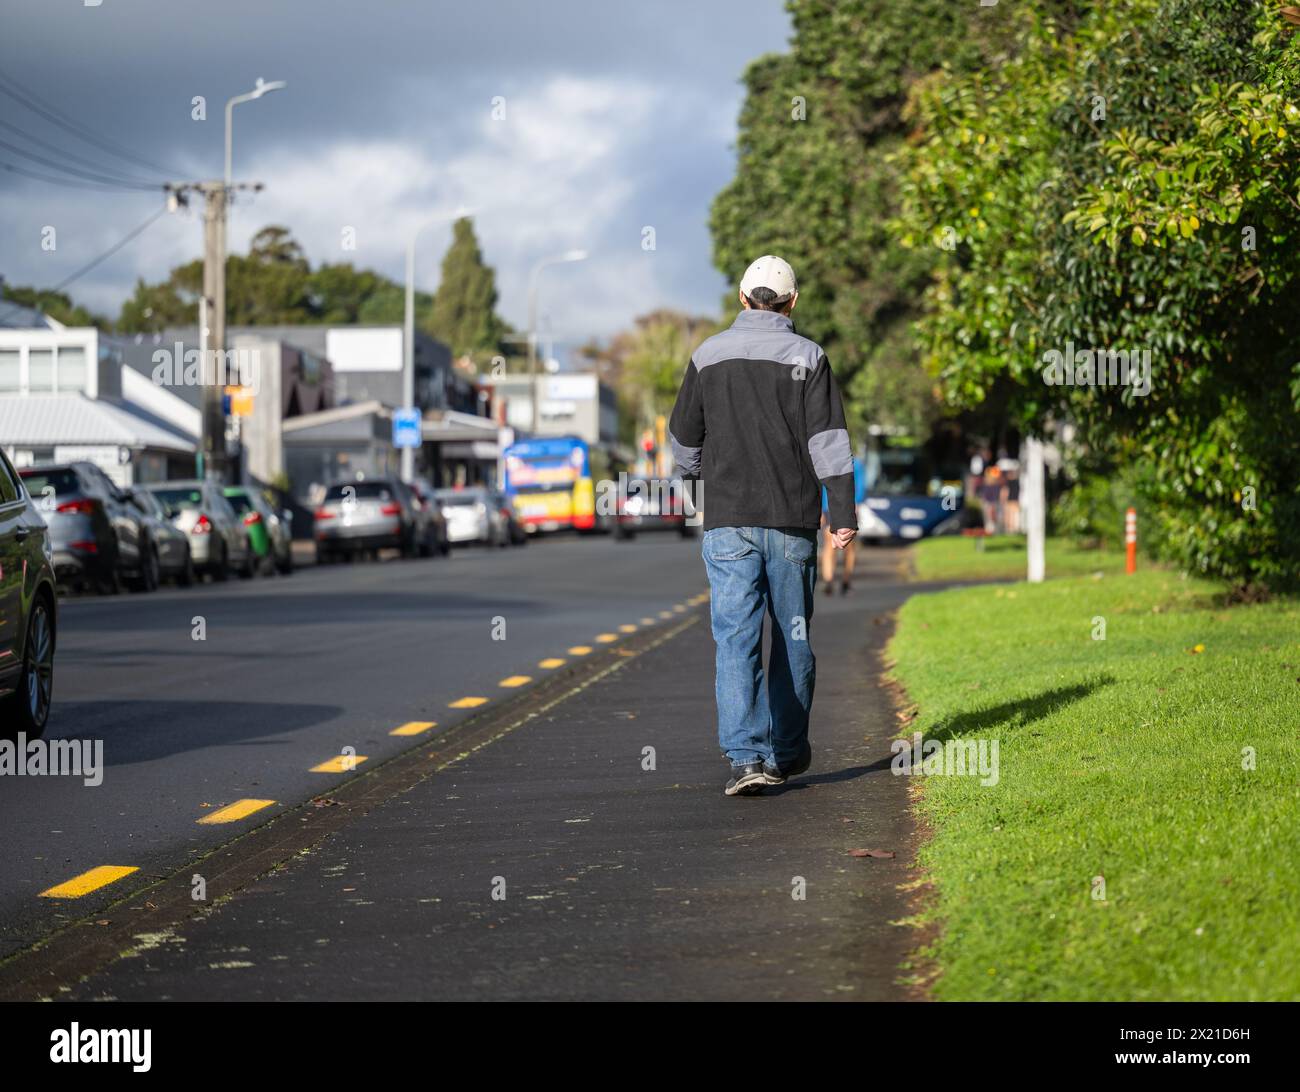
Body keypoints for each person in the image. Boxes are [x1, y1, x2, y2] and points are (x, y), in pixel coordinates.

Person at [669, 255, 857, 797]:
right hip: (792, 521)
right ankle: (788, 751)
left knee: (736, 639)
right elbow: (829, 444)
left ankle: (746, 758)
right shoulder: (809, 357)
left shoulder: (707, 357)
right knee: (793, 636)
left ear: (742, 298)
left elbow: (684, 444)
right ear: (792, 302)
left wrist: (703, 488)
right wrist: (841, 512)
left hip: (727, 523)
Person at [820, 456, 865, 595]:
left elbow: (821, 486)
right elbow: (861, 486)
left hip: (832, 508)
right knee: (847, 546)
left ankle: (831, 580)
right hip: (844, 507)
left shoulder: (825, 460)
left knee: (832, 545)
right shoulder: (855, 463)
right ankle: (842, 581)